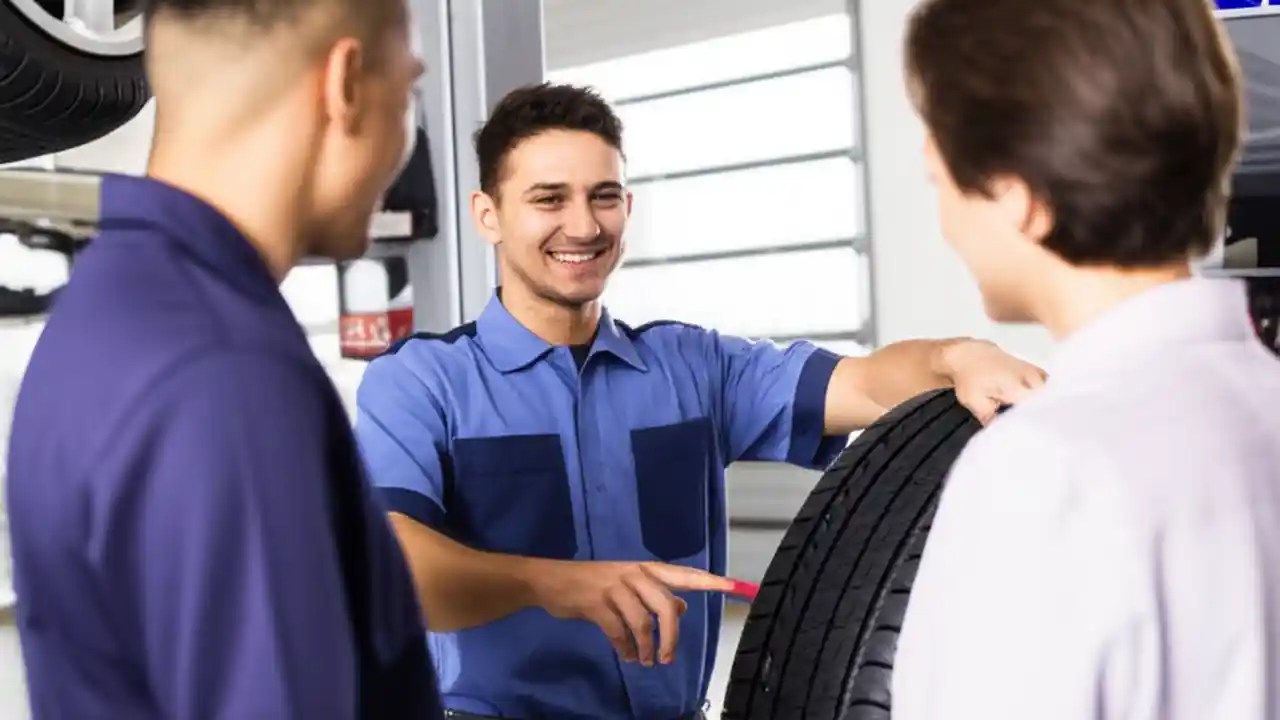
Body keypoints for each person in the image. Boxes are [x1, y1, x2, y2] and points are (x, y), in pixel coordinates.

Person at [353, 81, 1048, 719]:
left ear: (627, 207)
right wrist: (555, 583)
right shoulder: (420, 383)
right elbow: (397, 571)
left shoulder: (694, 365)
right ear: (489, 215)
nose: (584, 225)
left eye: (603, 196)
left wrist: (956, 357)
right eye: (548, 199)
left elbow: (865, 383)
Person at [5, 0, 442, 717]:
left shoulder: (108, 308)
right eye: (409, 91)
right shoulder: (225, 373)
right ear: (346, 83)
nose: (406, 143)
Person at [892, 0, 1280, 718]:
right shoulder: (1264, 398)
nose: (943, 217)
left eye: (938, 181)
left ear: (1016, 198)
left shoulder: (1041, 469)